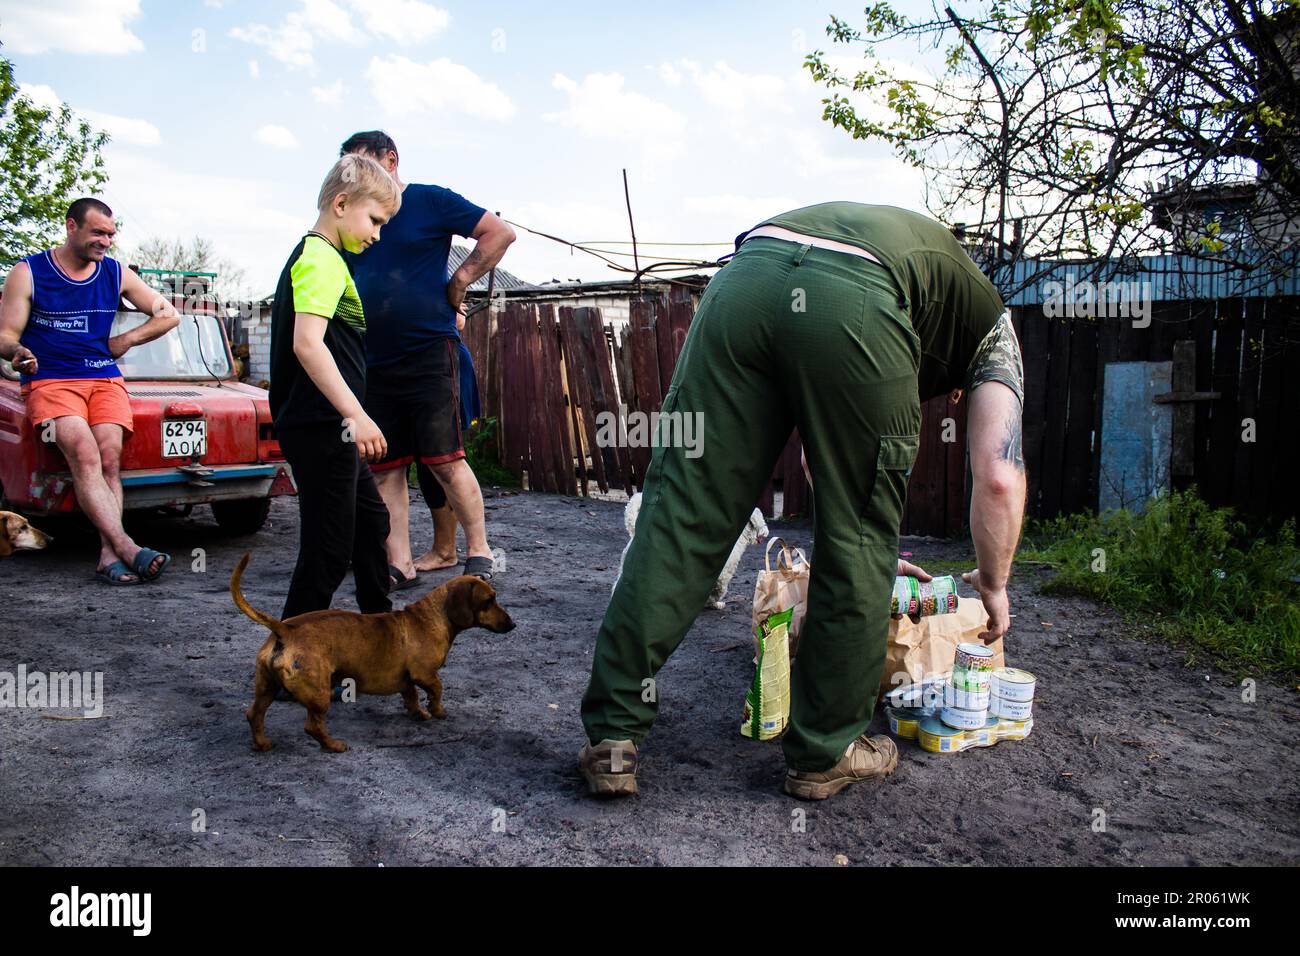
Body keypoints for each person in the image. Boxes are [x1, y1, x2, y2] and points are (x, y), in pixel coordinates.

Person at [577, 202, 1027, 801]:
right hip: (857, 299)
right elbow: (998, 476)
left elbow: (825, 458)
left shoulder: (923, 266)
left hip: (743, 281)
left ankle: (612, 738)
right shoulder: (994, 329)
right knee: (862, 538)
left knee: (682, 513)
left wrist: (861, 554)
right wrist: (991, 583)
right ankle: (825, 751)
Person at [339, 130, 515, 586]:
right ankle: (398, 562)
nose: (354, 177)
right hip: (373, 362)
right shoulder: (352, 221)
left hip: (428, 354)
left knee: (444, 459)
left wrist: (459, 284)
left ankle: (478, 551)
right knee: (387, 466)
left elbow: (500, 233)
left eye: (363, 165)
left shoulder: (429, 201)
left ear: (390, 160)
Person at [0, 198, 180, 585]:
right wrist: (18, 352)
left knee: (110, 458)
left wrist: (126, 340)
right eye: (98, 233)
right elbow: (5, 336)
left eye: (111, 235)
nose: (105, 242)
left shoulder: (116, 273)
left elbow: (169, 313)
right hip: (51, 380)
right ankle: (128, 547)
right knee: (84, 452)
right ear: (71, 226)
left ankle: (107, 554)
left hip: (103, 378)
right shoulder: (28, 272)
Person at [268, 153, 402, 619]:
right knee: (328, 547)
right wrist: (356, 414)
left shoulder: (327, 257)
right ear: (342, 203)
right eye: (375, 220)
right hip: (320, 424)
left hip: (326, 425)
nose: (377, 234)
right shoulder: (320, 258)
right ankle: (292, 658)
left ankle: (378, 626)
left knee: (371, 521)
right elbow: (308, 345)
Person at [412, 302, 481, 572]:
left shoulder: (429, 266)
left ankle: (446, 550)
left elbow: (458, 317)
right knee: (421, 459)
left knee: (437, 457)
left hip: (441, 365)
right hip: (414, 367)